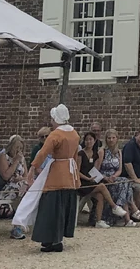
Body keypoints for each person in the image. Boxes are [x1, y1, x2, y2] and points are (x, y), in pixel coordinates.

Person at [23, 103, 82, 253]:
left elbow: (43, 153)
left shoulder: (56, 135)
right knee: (63, 207)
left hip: (57, 173)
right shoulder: (74, 134)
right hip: (70, 173)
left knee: (51, 206)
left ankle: (51, 239)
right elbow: (75, 156)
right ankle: (58, 238)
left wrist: (32, 167)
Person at [77, 130, 120, 227]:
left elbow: (95, 169)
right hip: (82, 182)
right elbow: (77, 171)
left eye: (91, 139)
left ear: (94, 141)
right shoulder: (80, 154)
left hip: (91, 181)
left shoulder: (95, 154)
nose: (88, 142)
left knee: (100, 195)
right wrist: (88, 179)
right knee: (101, 186)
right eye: (87, 140)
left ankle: (99, 221)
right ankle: (114, 206)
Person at [100, 129, 140, 226]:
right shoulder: (102, 151)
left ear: (117, 139)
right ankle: (133, 209)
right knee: (125, 183)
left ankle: (124, 215)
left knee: (124, 183)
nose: (111, 140)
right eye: (109, 138)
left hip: (114, 178)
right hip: (104, 179)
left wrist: (114, 176)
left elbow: (119, 170)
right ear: (106, 139)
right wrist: (106, 178)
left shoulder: (119, 152)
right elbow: (95, 170)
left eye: (113, 138)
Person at [0, 135, 29, 238]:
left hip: (20, 185)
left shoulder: (22, 158)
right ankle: (17, 226)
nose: (18, 151)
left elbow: (26, 177)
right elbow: (6, 176)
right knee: (24, 191)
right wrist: (15, 162)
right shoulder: (3, 157)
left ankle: (21, 222)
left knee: (31, 190)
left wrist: (21, 179)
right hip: (5, 187)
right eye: (16, 148)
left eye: (21, 148)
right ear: (11, 146)